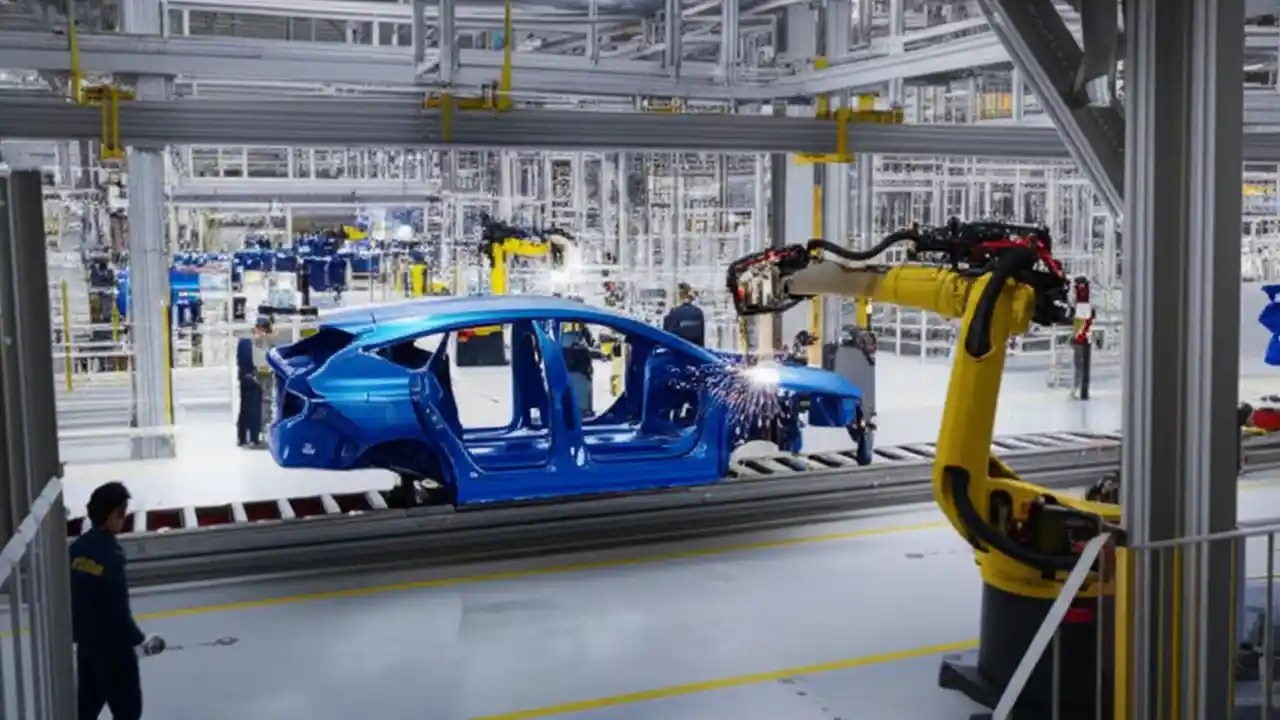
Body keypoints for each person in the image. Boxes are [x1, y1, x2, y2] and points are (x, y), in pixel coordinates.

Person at [71, 482, 165, 720]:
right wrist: (140, 640)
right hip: (115, 654)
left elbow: (73, 598)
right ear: (114, 515)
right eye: (123, 514)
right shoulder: (112, 556)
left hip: (87, 647)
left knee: (86, 708)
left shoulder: (76, 549)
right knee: (128, 711)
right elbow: (117, 608)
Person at [236, 317, 271, 447]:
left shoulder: (261, 342)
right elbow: (243, 361)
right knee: (249, 409)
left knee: (252, 409)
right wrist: (249, 375)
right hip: (249, 379)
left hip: (256, 378)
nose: (262, 333)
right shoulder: (246, 342)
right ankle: (247, 438)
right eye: (261, 330)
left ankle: (250, 438)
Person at [1070, 276, 1096, 401]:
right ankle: (1082, 391)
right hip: (1084, 339)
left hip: (1080, 340)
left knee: (1078, 366)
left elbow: (1081, 325)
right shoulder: (1087, 308)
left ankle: (1078, 390)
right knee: (1083, 367)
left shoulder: (1080, 308)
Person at [662, 282, 705, 347]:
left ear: (679, 296)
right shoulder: (698, 313)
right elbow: (701, 340)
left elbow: (667, 338)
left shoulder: (674, 313)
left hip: (679, 351)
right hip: (695, 352)